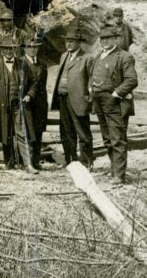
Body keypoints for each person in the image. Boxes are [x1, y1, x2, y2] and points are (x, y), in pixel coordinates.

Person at [90, 26, 138, 184]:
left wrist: (116, 94)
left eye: (108, 38)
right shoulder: (99, 55)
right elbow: (92, 75)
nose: (105, 41)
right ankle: (114, 169)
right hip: (99, 101)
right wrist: (91, 87)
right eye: (102, 38)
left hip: (115, 102)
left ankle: (119, 175)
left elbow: (131, 80)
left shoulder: (124, 56)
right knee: (107, 138)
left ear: (116, 39)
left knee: (117, 138)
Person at [0, 42, 38, 173]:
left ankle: (28, 164)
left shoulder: (23, 64)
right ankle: (9, 162)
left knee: (22, 133)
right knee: (6, 134)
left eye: (11, 48)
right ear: (1, 50)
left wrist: (29, 94)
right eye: (5, 48)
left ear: (15, 49)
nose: (8, 51)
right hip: (2, 107)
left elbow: (34, 82)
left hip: (19, 105)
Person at [50, 26, 94, 169]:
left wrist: (89, 99)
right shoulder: (64, 56)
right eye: (67, 41)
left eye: (72, 41)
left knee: (82, 132)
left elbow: (92, 80)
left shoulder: (87, 58)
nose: (68, 44)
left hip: (78, 100)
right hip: (63, 98)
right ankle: (71, 161)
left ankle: (86, 162)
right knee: (66, 130)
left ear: (79, 43)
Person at [21, 38, 48, 170]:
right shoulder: (20, 63)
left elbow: (42, 85)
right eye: (30, 47)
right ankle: (27, 162)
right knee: (27, 132)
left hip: (40, 104)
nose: (33, 50)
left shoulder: (42, 64)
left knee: (38, 133)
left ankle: (36, 161)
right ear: (25, 48)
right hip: (26, 103)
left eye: (35, 47)